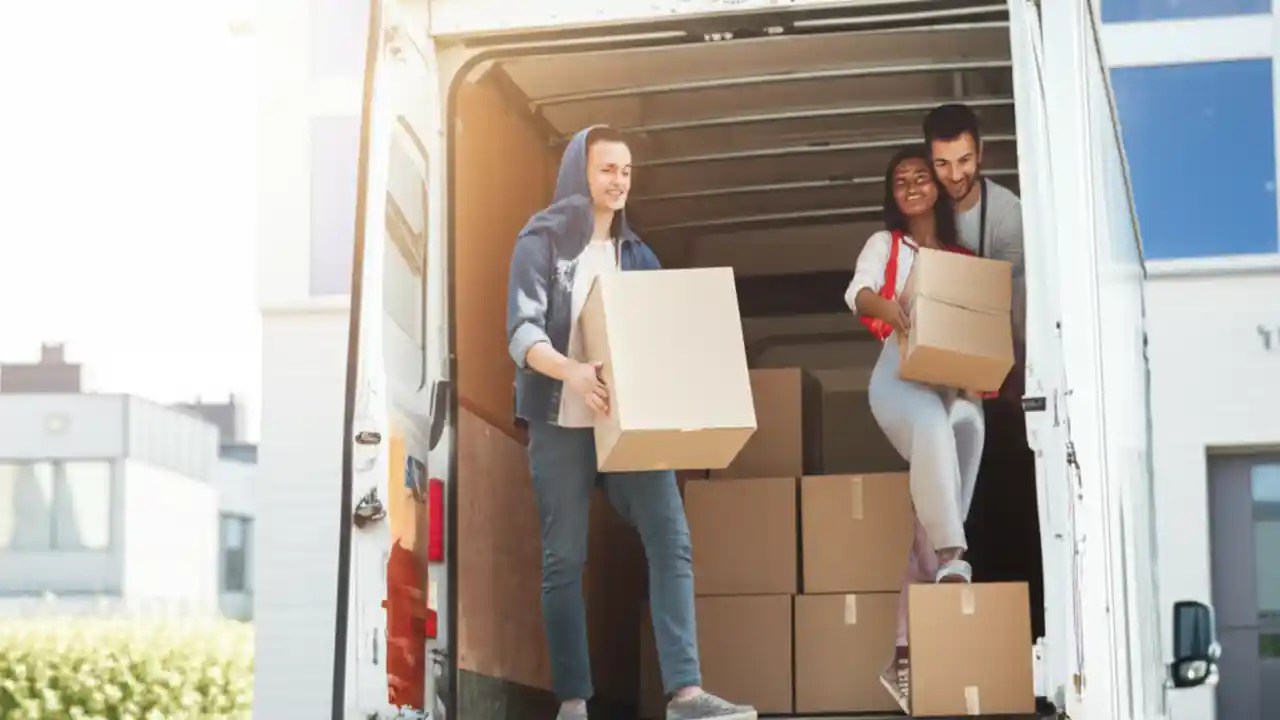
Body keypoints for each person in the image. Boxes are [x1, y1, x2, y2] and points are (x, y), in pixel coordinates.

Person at [505, 125, 757, 720]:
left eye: (625, 171)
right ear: (578, 173)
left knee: (671, 538)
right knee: (564, 558)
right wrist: (573, 372)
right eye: (606, 169)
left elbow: (661, 341)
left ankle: (686, 695)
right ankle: (573, 702)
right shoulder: (540, 243)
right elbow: (522, 334)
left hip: (629, 422)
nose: (618, 181)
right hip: (559, 418)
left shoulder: (640, 257)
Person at [844, 146, 986, 713]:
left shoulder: (960, 256)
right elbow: (857, 295)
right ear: (893, 195)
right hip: (898, 371)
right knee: (930, 425)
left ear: (937, 189)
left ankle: (903, 659)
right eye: (900, 180)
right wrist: (892, 307)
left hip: (953, 380)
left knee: (964, 429)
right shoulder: (886, 246)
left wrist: (975, 386)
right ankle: (956, 554)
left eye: (920, 177)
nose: (911, 185)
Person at [923, 102, 1025, 399]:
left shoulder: (1008, 213)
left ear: (980, 151)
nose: (955, 175)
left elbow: (1004, 300)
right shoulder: (921, 208)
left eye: (964, 160)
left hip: (999, 373)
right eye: (942, 164)